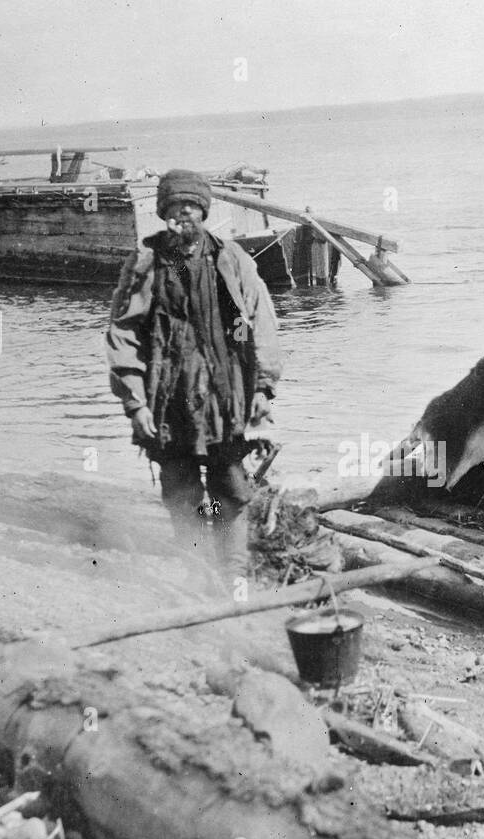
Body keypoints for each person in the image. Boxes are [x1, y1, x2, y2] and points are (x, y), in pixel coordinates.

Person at [105, 168, 281, 582]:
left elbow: (263, 323)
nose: (182, 215)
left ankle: (233, 569)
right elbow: (123, 332)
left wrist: (264, 388)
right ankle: (197, 569)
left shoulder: (231, 259)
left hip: (225, 397)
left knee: (230, 490)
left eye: (190, 207)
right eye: (173, 208)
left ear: (203, 212)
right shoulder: (145, 263)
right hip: (169, 401)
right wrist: (134, 402)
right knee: (182, 491)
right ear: (162, 213)